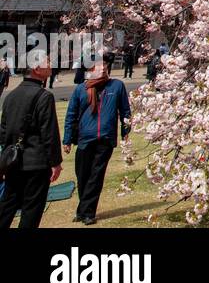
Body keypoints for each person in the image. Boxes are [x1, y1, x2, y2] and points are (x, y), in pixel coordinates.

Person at [62, 60, 131, 225]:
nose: (104, 69)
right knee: (82, 175)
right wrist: (67, 139)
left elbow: (125, 110)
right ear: (91, 70)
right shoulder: (81, 89)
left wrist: (125, 132)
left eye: (105, 67)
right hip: (85, 138)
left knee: (96, 176)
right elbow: (71, 114)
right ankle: (83, 209)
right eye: (100, 67)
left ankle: (88, 213)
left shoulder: (116, 86)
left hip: (105, 139)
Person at [0, 50, 63, 229]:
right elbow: (49, 133)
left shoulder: (10, 96)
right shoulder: (44, 96)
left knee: (7, 205)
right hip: (36, 163)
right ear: (36, 68)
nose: (51, 65)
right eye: (47, 62)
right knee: (31, 210)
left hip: (13, 162)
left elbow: (3, 132)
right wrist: (55, 162)